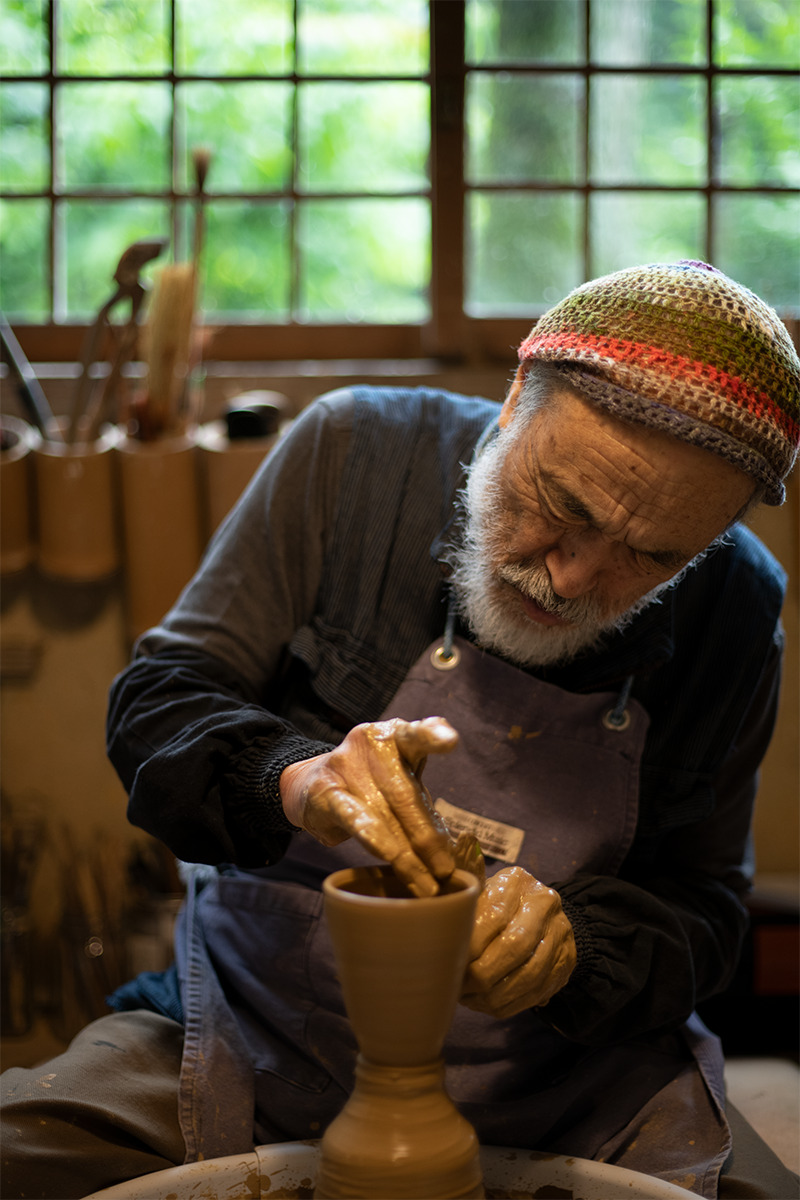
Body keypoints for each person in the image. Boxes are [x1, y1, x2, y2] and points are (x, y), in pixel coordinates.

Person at [2, 262, 798, 1200]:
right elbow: (159, 697)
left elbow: (706, 911)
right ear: (512, 405)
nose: (573, 576)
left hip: (564, 1078)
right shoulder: (353, 452)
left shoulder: (738, 608)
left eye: (651, 556)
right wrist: (293, 778)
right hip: (252, 1024)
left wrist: (577, 948)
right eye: (563, 506)